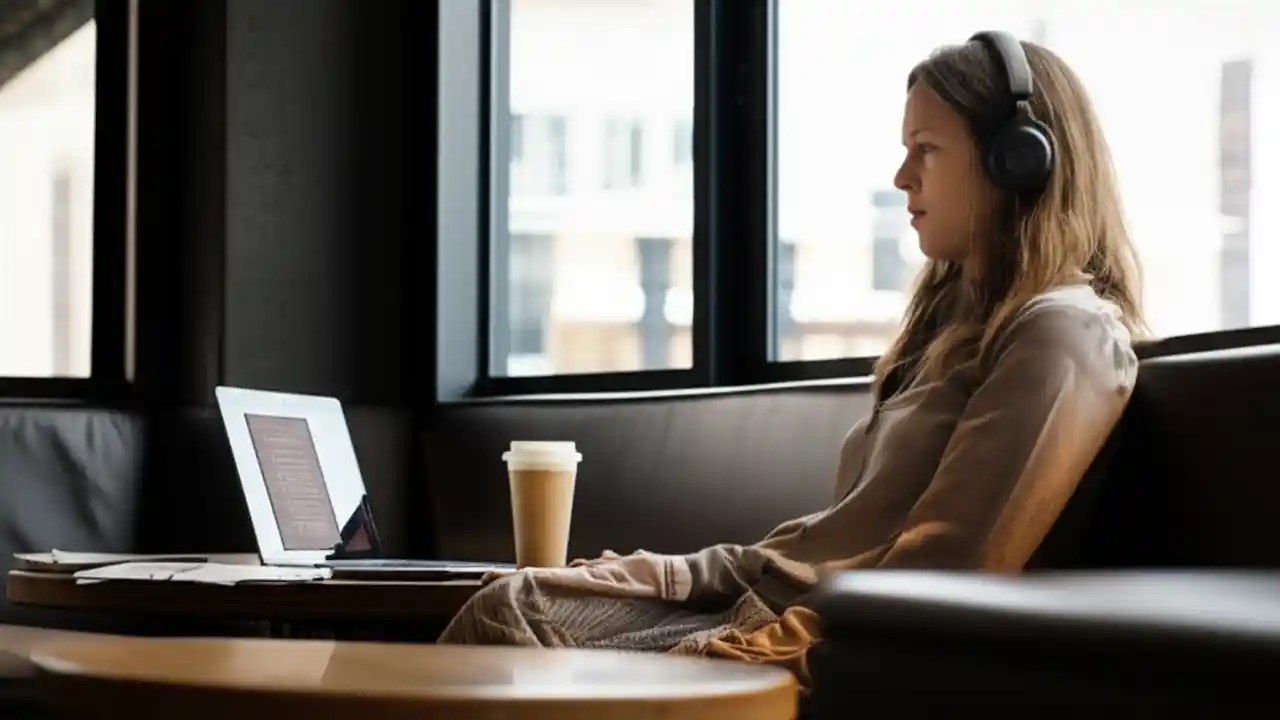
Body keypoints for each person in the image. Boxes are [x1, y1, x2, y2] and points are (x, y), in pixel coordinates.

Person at [438, 30, 1145, 686]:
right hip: (768, 607)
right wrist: (662, 575)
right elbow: (815, 549)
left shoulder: (1064, 336)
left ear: (1014, 161)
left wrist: (734, 658)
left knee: (508, 620)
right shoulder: (954, 326)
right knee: (516, 599)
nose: (902, 177)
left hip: (811, 638)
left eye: (926, 148)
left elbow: (944, 576)